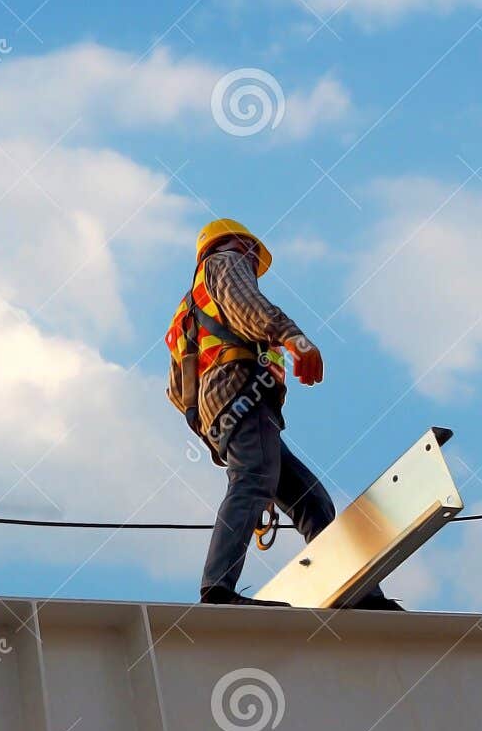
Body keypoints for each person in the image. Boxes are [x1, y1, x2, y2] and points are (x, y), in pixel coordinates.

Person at [166, 218, 401, 609]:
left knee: (310, 500)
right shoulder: (225, 262)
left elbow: (178, 392)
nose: (254, 266)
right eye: (254, 257)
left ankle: (360, 593)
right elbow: (248, 305)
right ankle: (218, 590)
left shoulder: (183, 317)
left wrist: (217, 435)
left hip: (225, 411)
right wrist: (294, 337)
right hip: (242, 392)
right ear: (239, 244)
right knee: (253, 479)